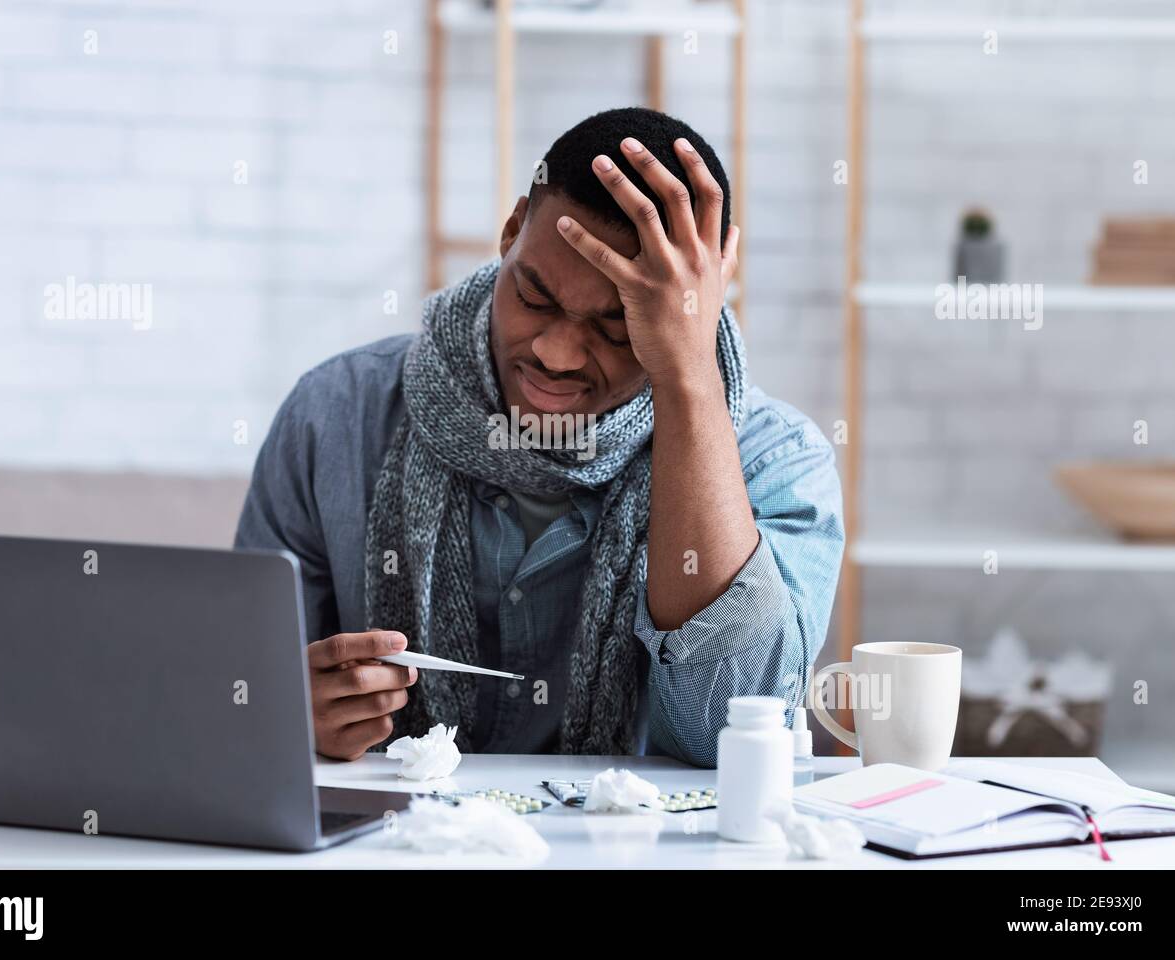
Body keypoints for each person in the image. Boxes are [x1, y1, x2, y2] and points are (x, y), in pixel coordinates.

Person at [236, 106, 843, 767]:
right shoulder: (332, 417)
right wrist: (285, 714)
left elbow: (728, 737)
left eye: (619, 328)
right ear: (510, 231)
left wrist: (688, 377)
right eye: (534, 296)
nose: (556, 354)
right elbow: (234, 691)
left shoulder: (780, 463)